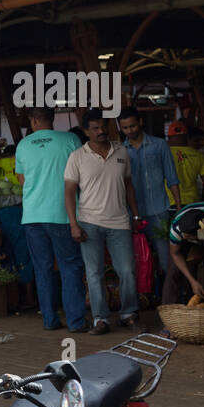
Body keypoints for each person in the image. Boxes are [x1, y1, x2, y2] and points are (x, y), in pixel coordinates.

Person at [64, 108, 141, 335]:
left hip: (120, 222)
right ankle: (101, 319)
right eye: (95, 128)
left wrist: (136, 215)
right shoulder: (77, 157)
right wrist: (73, 224)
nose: (101, 131)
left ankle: (128, 313)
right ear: (86, 132)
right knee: (94, 273)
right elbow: (69, 192)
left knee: (127, 270)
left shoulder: (122, 152)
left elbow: (128, 186)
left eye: (103, 126)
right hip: (89, 222)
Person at [16, 107, 86, 332]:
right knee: (70, 267)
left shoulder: (23, 145)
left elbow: (22, 180)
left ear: (34, 120)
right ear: (52, 118)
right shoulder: (70, 139)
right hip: (62, 214)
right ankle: (76, 322)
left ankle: (49, 319)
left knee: (42, 268)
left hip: (33, 215)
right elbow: (82, 175)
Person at [118, 108, 178, 295]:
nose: (130, 131)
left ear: (141, 122)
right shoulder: (120, 151)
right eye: (125, 128)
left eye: (133, 126)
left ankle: (170, 301)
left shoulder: (159, 145)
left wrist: (179, 208)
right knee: (135, 261)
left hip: (158, 211)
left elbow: (172, 179)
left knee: (165, 261)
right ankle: (144, 300)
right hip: (130, 215)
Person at [166, 120, 204, 207]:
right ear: (186, 137)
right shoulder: (199, 156)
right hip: (192, 203)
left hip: (169, 203)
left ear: (168, 137)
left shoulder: (163, 155)